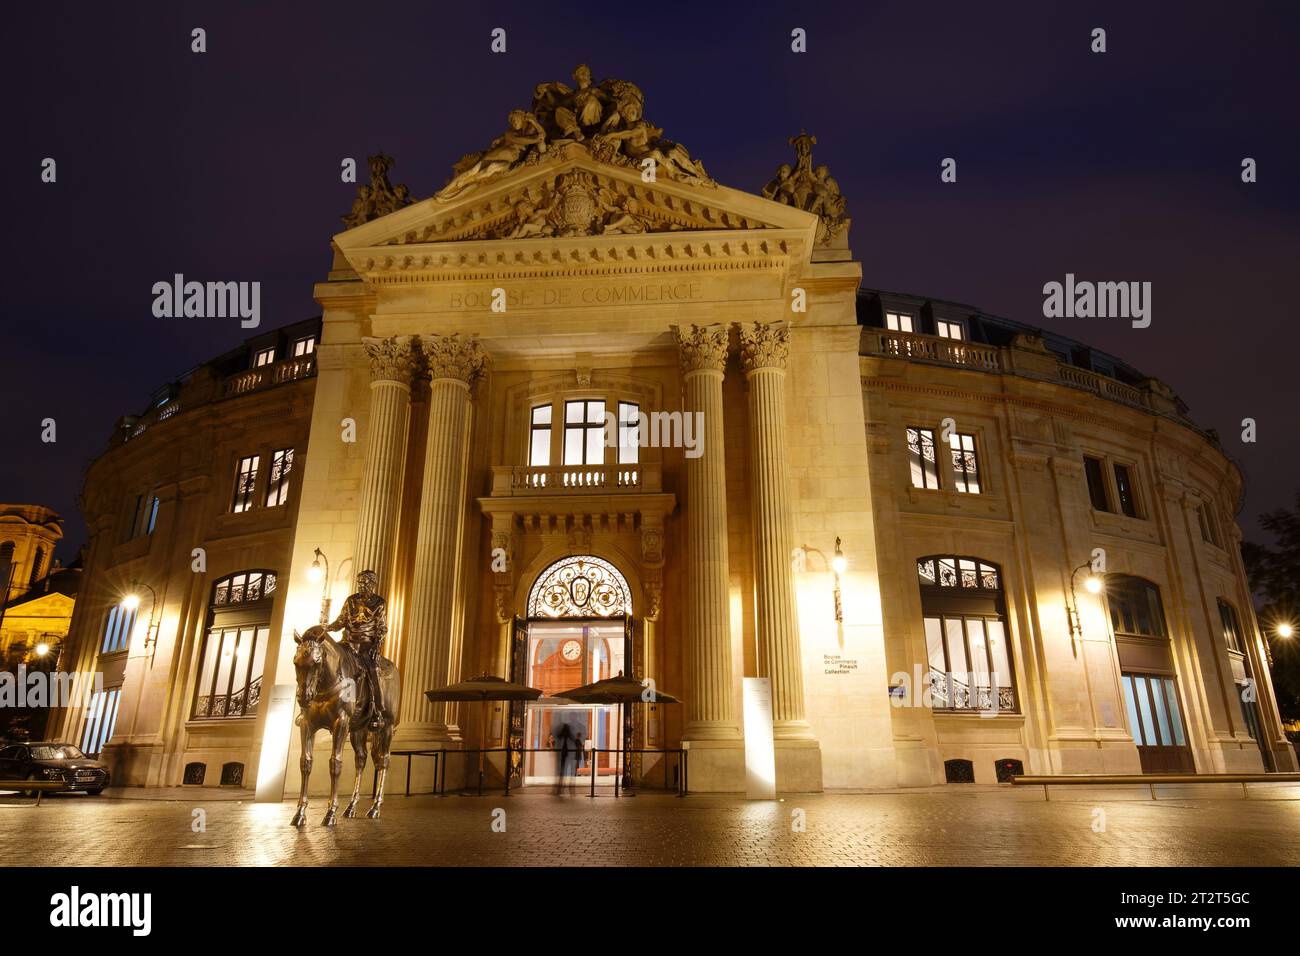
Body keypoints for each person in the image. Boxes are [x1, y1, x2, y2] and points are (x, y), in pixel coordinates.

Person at [324, 570, 387, 730]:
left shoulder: (379, 603)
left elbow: (381, 627)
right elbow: (342, 620)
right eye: (360, 583)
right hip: (348, 642)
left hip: (366, 644)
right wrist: (330, 627)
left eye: (365, 583)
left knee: (373, 671)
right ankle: (316, 705)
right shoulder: (351, 600)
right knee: (327, 660)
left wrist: (376, 645)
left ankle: (377, 710)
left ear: (372, 584)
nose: (361, 586)